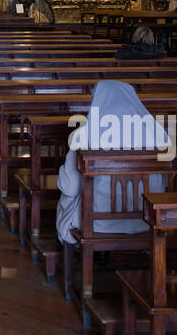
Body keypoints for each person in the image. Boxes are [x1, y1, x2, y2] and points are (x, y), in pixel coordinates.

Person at [56, 80, 170, 245]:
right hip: (148, 221)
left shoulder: (86, 134)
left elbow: (70, 186)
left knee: (68, 197)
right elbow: (165, 181)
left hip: (97, 223)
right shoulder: (158, 134)